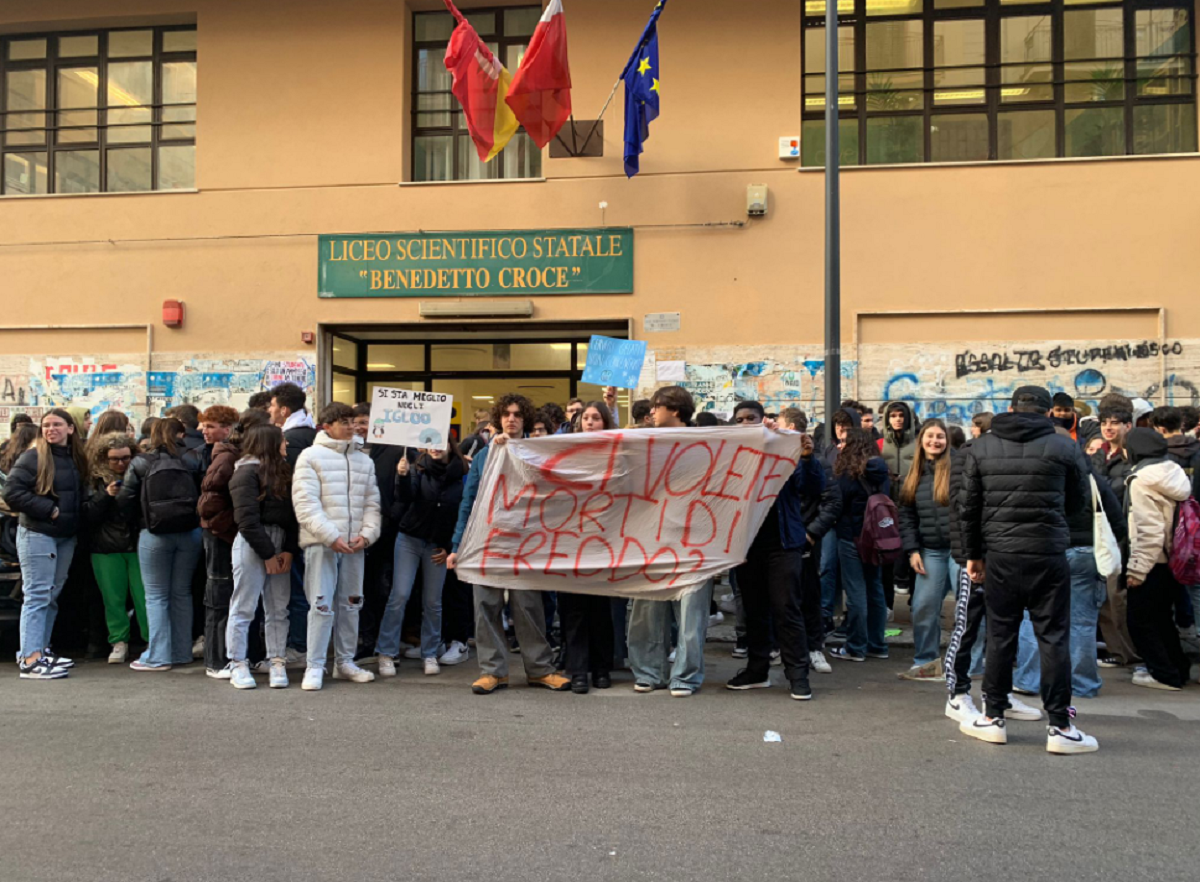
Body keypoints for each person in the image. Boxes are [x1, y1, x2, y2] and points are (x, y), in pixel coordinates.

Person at [959, 385, 1098, 754]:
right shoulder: (1064, 445)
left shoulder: (982, 446)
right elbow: (1078, 501)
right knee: (1053, 636)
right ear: (1049, 411)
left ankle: (993, 717)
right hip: (1048, 551)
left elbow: (969, 507)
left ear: (1009, 407)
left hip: (1000, 553)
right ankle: (1060, 725)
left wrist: (974, 554)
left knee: (1000, 635)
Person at [446, 394, 569, 695]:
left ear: (525, 419)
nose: (511, 419)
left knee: (528, 607)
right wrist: (457, 544)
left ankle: (540, 669)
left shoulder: (535, 452)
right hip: (486, 540)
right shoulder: (487, 455)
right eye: (506, 414)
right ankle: (493, 671)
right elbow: (469, 500)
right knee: (485, 606)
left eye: (517, 414)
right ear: (498, 419)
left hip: (524, 542)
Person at [725, 400, 825, 701]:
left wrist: (806, 458)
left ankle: (798, 674)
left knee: (786, 608)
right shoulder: (730, 454)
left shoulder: (785, 448)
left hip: (782, 544)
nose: (746, 423)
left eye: (751, 418)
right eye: (740, 419)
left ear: (763, 420)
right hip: (747, 544)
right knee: (754, 610)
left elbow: (812, 488)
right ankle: (757, 670)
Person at [1011, 444, 1124, 699]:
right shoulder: (1091, 479)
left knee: (1034, 618)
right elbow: (1116, 519)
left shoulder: (1037, 477)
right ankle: (1083, 684)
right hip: (1084, 553)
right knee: (1082, 622)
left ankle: (1029, 680)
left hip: (1044, 552)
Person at [625, 386, 716, 697]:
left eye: (657, 406)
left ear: (675, 410)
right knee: (647, 608)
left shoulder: (707, 444)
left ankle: (686, 676)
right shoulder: (645, 442)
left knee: (691, 612)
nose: (651, 412)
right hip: (653, 536)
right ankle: (649, 672)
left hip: (694, 539)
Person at [292, 402, 382, 691]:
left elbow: (372, 503)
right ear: (326, 426)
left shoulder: (364, 461)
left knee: (351, 603)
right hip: (323, 544)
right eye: (344, 422)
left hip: (354, 546)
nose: (352, 426)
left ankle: (345, 662)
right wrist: (331, 536)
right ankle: (315, 665)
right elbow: (305, 504)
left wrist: (367, 535)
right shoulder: (310, 456)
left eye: (353, 421)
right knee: (320, 604)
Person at [2, 409, 87, 679]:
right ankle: (30, 658)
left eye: (57, 424)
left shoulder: (75, 458)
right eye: (47, 425)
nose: (51, 429)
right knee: (38, 595)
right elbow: (12, 493)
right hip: (37, 532)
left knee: (50, 595)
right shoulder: (33, 457)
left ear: (70, 429)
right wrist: (49, 510)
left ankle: (41, 650)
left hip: (65, 536)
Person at [375, 436, 466, 678]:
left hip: (438, 546)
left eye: (441, 442)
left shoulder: (461, 473)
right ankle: (386, 652)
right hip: (410, 539)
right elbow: (405, 498)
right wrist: (402, 477)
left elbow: (462, 514)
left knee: (433, 602)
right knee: (400, 595)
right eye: (431, 442)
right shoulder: (417, 468)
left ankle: (429, 653)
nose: (435, 448)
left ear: (450, 444)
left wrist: (450, 546)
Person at [118, 417, 203, 672]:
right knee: (181, 592)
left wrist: (140, 520)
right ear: (180, 433)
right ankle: (181, 651)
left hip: (153, 532)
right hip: (190, 532)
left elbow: (125, 500)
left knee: (155, 595)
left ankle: (158, 656)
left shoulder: (141, 461)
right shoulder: (193, 458)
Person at [226, 423, 299, 690]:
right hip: (252, 542)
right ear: (269, 443)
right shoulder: (245, 472)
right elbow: (246, 520)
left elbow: (294, 515)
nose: (287, 444)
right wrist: (269, 553)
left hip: (279, 540)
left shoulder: (283, 470)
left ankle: (277, 660)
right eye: (282, 440)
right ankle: (237, 662)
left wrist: (289, 549)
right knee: (244, 605)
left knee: (279, 606)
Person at [196, 408, 266, 678]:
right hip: (222, 537)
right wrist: (231, 529)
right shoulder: (227, 459)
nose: (205, 431)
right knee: (220, 597)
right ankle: (217, 661)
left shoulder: (241, 457)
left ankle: (248, 655)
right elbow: (207, 506)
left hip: (232, 534)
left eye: (210, 425)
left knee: (243, 597)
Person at [1121, 428, 1193, 691]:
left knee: (1139, 621)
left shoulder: (1141, 480)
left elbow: (1148, 530)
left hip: (1152, 562)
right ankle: (1178, 669)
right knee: (1163, 619)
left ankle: (1164, 675)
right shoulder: (1173, 472)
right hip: (1174, 561)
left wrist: (1137, 570)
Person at [558, 402, 618, 694]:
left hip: (604, 540)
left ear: (606, 423)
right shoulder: (565, 451)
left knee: (600, 610)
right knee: (573, 610)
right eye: (586, 418)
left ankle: (602, 668)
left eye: (597, 418)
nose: (591, 422)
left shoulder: (618, 453)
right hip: (570, 539)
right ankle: (578, 669)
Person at [897, 419, 959, 681]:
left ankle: (971, 663)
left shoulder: (960, 468)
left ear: (947, 441)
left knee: (969, 610)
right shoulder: (914, 473)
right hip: (930, 551)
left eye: (940, 437)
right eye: (930, 436)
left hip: (961, 551)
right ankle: (927, 662)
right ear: (921, 439)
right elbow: (906, 515)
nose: (935, 441)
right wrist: (912, 551)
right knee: (923, 606)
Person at [780, 407, 839, 674]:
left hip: (804, 538)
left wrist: (812, 533)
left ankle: (814, 647)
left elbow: (832, 502)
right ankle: (780, 647)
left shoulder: (815, 461)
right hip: (782, 537)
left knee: (809, 594)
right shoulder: (775, 457)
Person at [826, 429, 891, 663]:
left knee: (855, 593)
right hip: (877, 540)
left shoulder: (848, 473)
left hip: (851, 537)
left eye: (844, 442)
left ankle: (855, 646)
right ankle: (878, 644)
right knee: (875, 589)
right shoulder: (882, 472)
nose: (840, 446)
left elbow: (838, 504)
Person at [83, 432, 146, 665]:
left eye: (125, 458)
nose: (120, 463)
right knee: (113, 599)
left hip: (136, 544)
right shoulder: (95, 480)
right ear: (104, 458)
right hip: (106, 546)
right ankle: (118, 642)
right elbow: (87, 514)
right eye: (115, 459)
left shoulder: (140, 474)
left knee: (144, 597)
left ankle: (150, 641)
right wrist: (106, 495)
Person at [1092, 403, 1140, 669]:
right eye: (1104, 423)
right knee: (1105, 598)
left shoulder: (1131, 458)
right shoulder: (1099, 456)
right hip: (1101, 532)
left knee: (1116, 596)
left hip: (1122, 534)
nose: (1108, 428)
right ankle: (1117, 650)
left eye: (1114, 423)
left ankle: (1126, 652)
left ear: (1127, 426)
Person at [269, 382, 317, 467]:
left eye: (272, 405)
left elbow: (289, 473)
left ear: (284, 410)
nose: (269, 410)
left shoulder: (289, 439)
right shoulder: (313, 431)